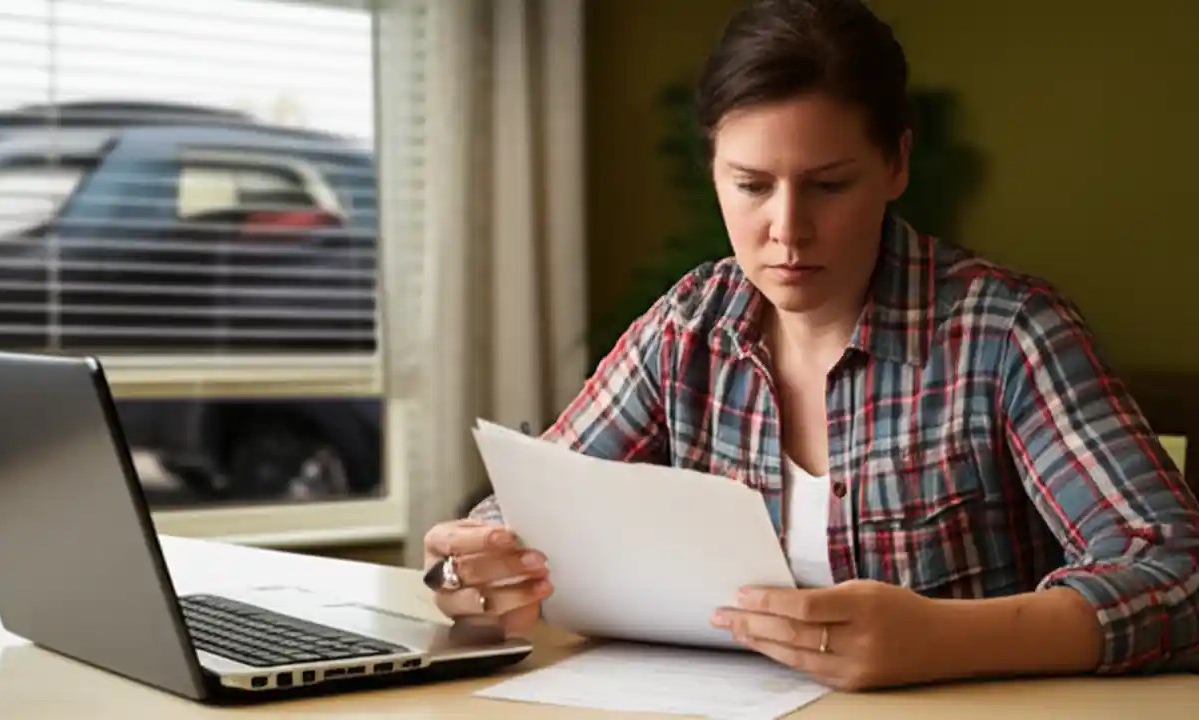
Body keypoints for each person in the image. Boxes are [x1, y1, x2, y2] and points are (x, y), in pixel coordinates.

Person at [422, 0, 1199, 691]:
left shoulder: (1007, 332)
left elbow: (1180, 573)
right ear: (714, 172)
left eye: (829, 185)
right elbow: (536, 506)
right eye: (752, 185)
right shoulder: (689, 325)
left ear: (896, 163)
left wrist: (943, 640)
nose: (787, 230)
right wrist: (480, 563)